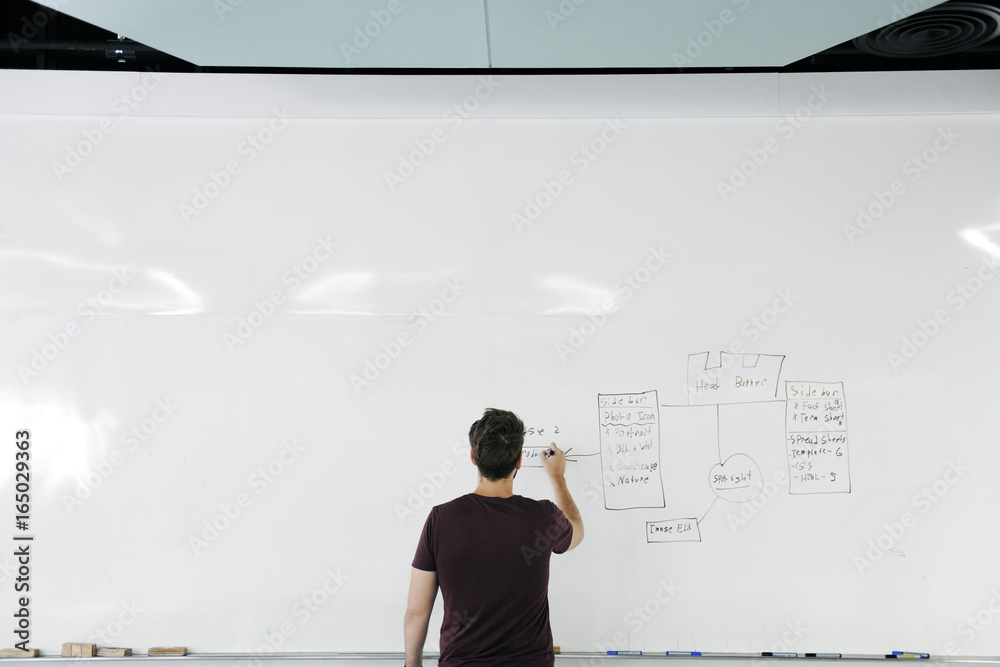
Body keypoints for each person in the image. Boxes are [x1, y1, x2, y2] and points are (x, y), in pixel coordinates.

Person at [403, 408, 584, 667]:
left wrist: (412, 665)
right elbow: (577, 532)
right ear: (519, 461)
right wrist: (557, 477)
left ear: (473, 458)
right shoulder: (543, 516)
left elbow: (417, 612)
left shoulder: (441, 519)